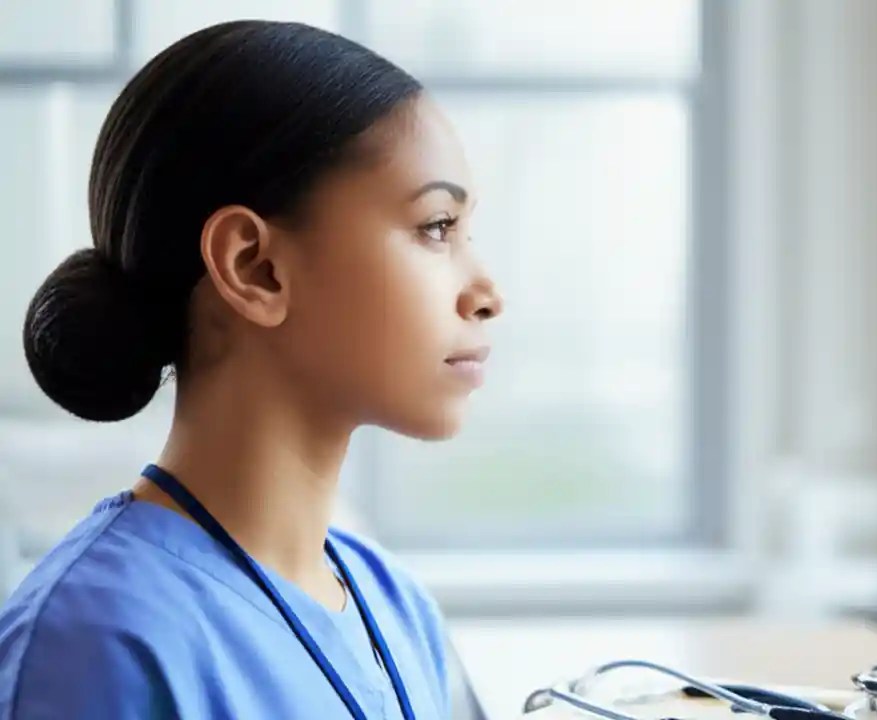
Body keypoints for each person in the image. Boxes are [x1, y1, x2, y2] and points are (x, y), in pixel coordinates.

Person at [0, 19, 501, 720]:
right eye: (436, 228)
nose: (486, 293)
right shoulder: (97, 642)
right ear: (254, 267)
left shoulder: (396, 608)